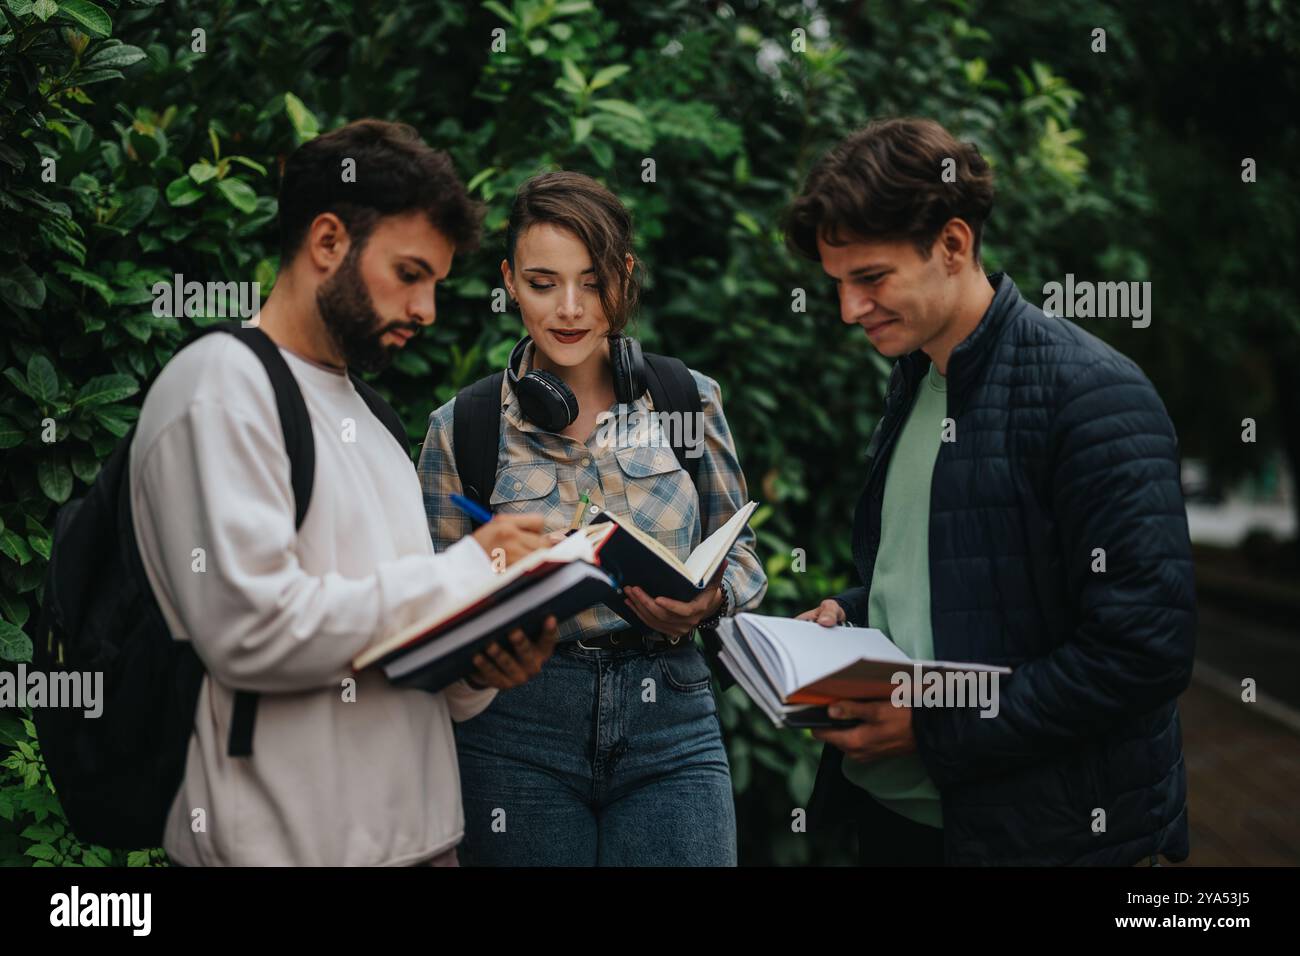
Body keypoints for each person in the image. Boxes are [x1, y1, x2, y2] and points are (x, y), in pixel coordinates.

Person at [130, 119, 557, 866]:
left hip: (427, 845)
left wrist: (479, 662)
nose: (426, 311)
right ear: (328, 242)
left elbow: (394, 643)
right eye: (410, 273)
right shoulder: (221, 387)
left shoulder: (378, 423)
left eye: (435, 285)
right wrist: (465, 571)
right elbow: (250, 630)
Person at [784, 117, 1196, 866]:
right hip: (897, 821)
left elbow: (1142, 652)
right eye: (836, 285)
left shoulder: (1093, 394)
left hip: (1039, 839)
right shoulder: (914, 379)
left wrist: (932, 721)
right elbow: (963, 577)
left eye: (870, 279)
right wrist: (851, 610)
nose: (847, 310)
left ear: (953, 244)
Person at [418, 170, 767, 866]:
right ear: (509, 282)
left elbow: (745, 554)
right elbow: (433, 610)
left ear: (624, 275)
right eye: (543, 282)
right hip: (517, 730)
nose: (570, 308)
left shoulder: (685, 399)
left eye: (592, 280)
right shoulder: (465, 428)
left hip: (672, 717)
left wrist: (710, 599)